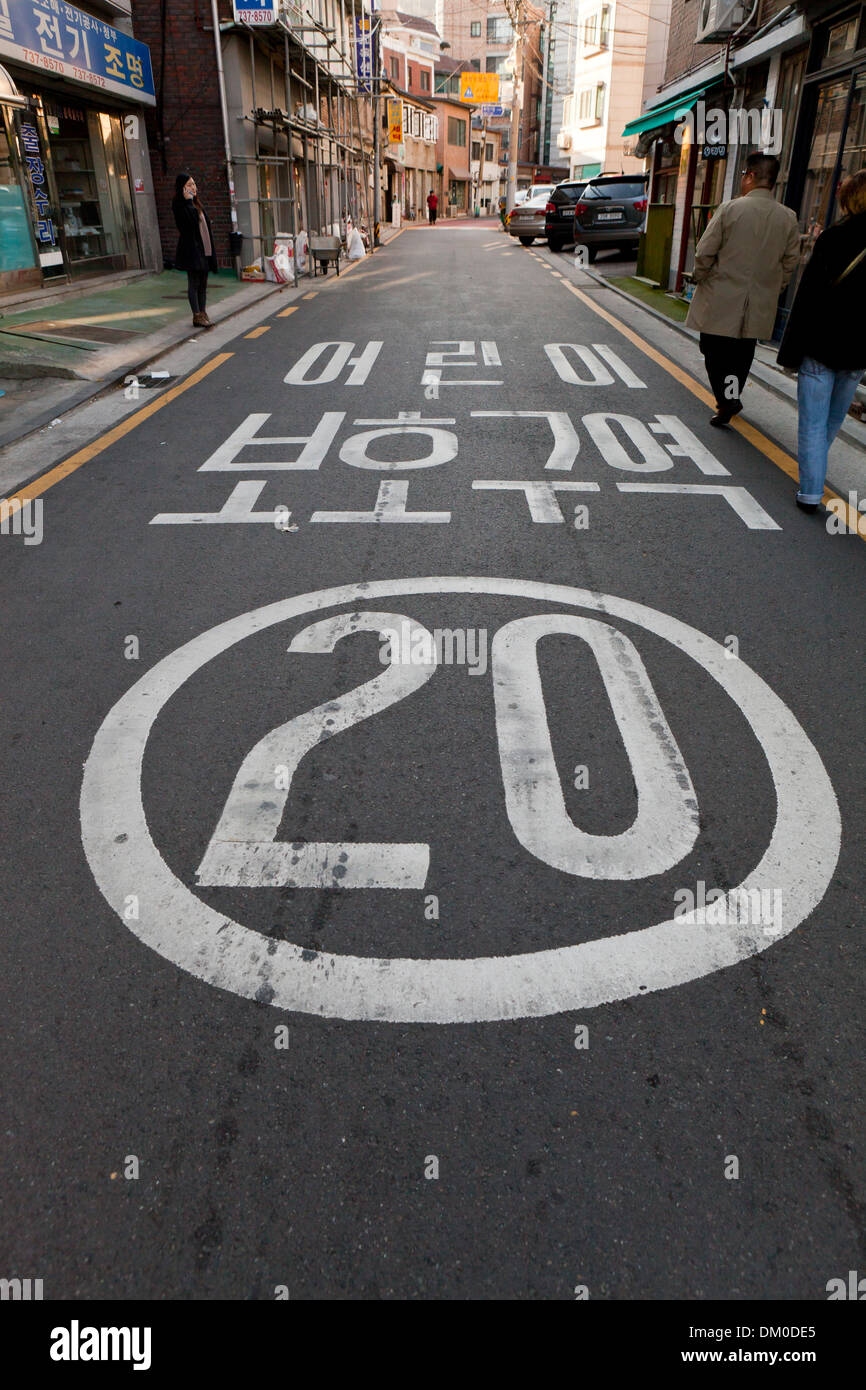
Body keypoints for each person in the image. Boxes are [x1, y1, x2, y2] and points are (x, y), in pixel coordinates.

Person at [686, 152, 800, 427]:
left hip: (721, 296)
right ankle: (730, 397)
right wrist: (774, 286)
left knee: (712, 349)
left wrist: (700, 276)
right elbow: (790, 261)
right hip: (760, 300)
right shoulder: (788, 217)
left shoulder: (731, 209)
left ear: (750, 176)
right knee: (742, 354)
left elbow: (705, 251)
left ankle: (728, 400)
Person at [777, 169, 866, 511]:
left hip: (821, 346)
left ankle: (811, 490)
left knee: (813, 422)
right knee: (831, 421)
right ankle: (813, 476)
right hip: (858, 352)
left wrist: (790, 353)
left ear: (848, 199)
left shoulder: (832, 239)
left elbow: (807, 299)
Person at [172, 173, 218, 329]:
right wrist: (189, 202)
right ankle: (196, 315)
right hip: (191, 251)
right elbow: (190, 224)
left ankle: (203, 313)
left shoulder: (197, 204)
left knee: (203, 284)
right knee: (194, 283)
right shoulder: (180, 206)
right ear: (183, 188)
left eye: (194, 184)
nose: (194, 187)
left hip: (203, 249)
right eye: (190, 184)